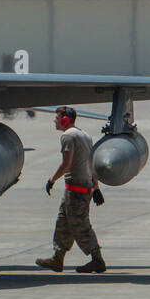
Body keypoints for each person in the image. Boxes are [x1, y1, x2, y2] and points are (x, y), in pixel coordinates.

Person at [36, 106, 106, 273]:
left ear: (65, 120)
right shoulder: (85, 135)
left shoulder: (68, 136)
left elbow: (66, 164)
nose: (54, 120)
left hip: (76, 188)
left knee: (80, 224)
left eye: (57, 117)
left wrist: (51, 180)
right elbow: (91, 163)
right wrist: (95, 187)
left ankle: (97, 259)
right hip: (79, 187)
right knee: (63, 222)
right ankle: (57, 259)